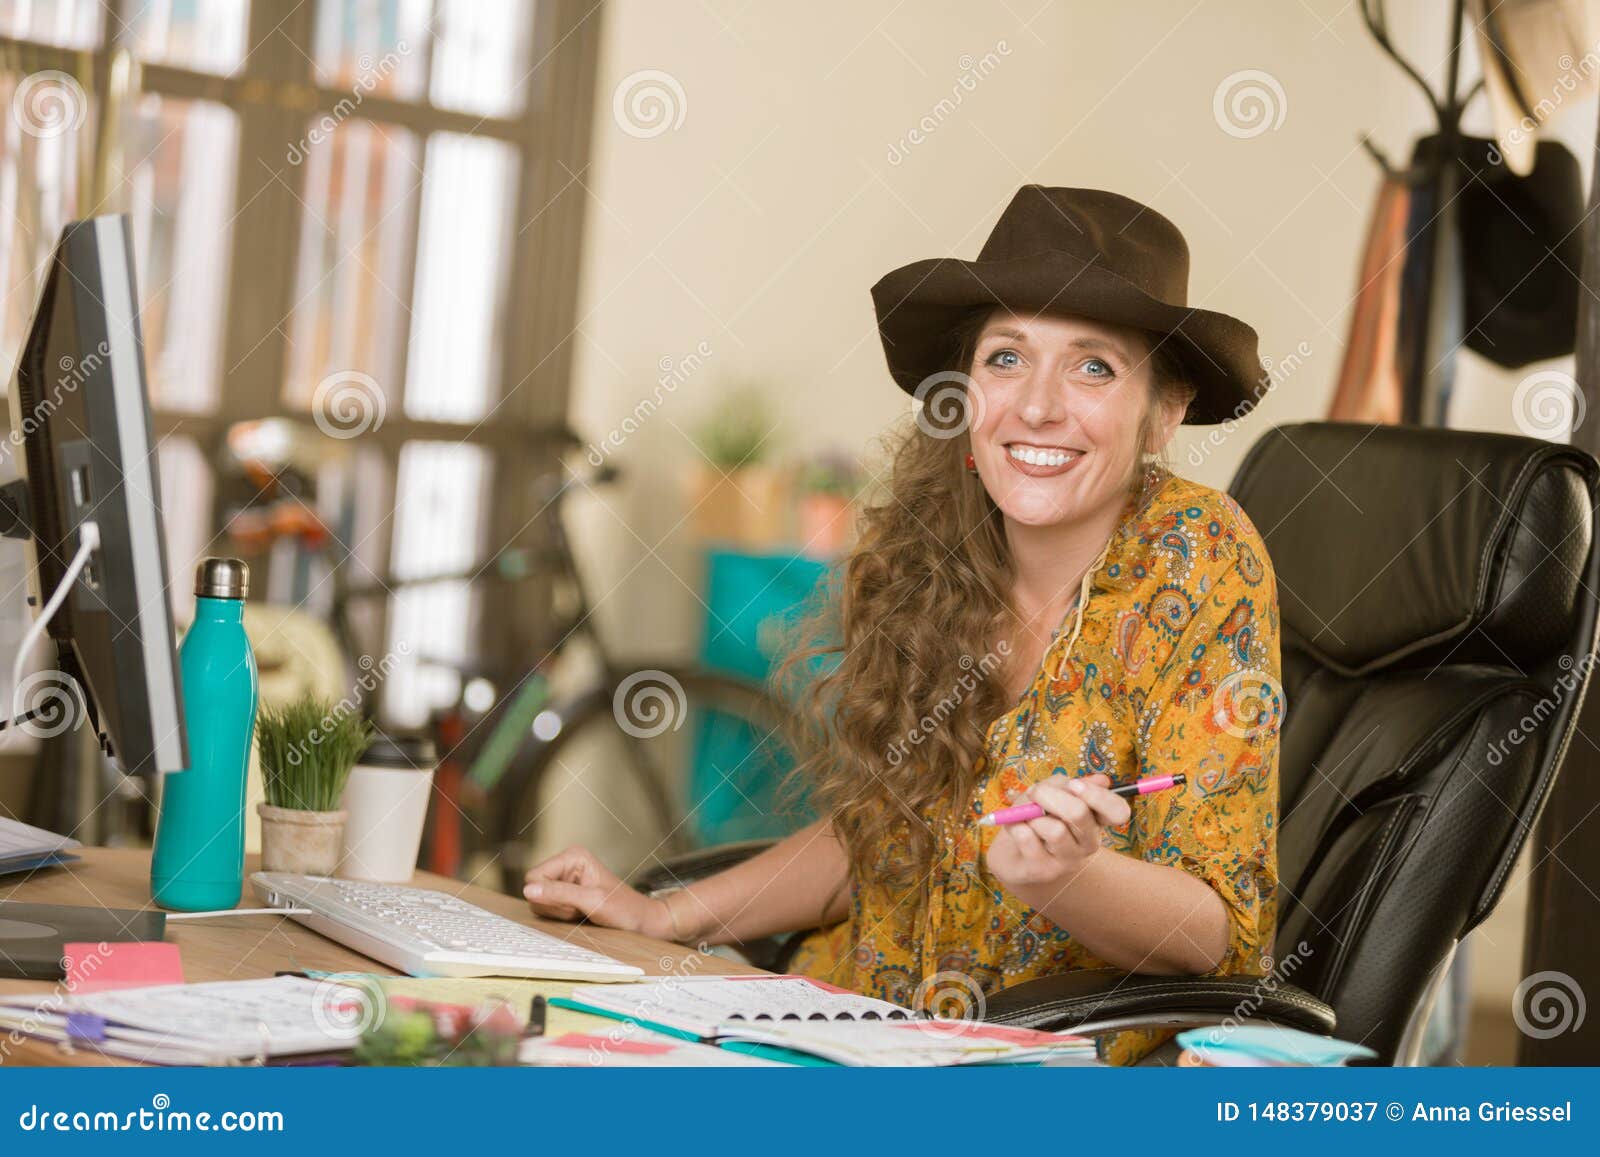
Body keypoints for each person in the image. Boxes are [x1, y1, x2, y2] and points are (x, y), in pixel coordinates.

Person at [524, 185, 1282, 1064]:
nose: (1036, 405)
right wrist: (662, 913)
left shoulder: (1199, 556)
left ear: (1165, 411)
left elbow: (1217, 935)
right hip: (841, 1033)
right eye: (1006, 358)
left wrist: (1070, 875)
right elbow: (880, 837)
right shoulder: (929, 546)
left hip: (1028, 1071)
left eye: (1093, 366)